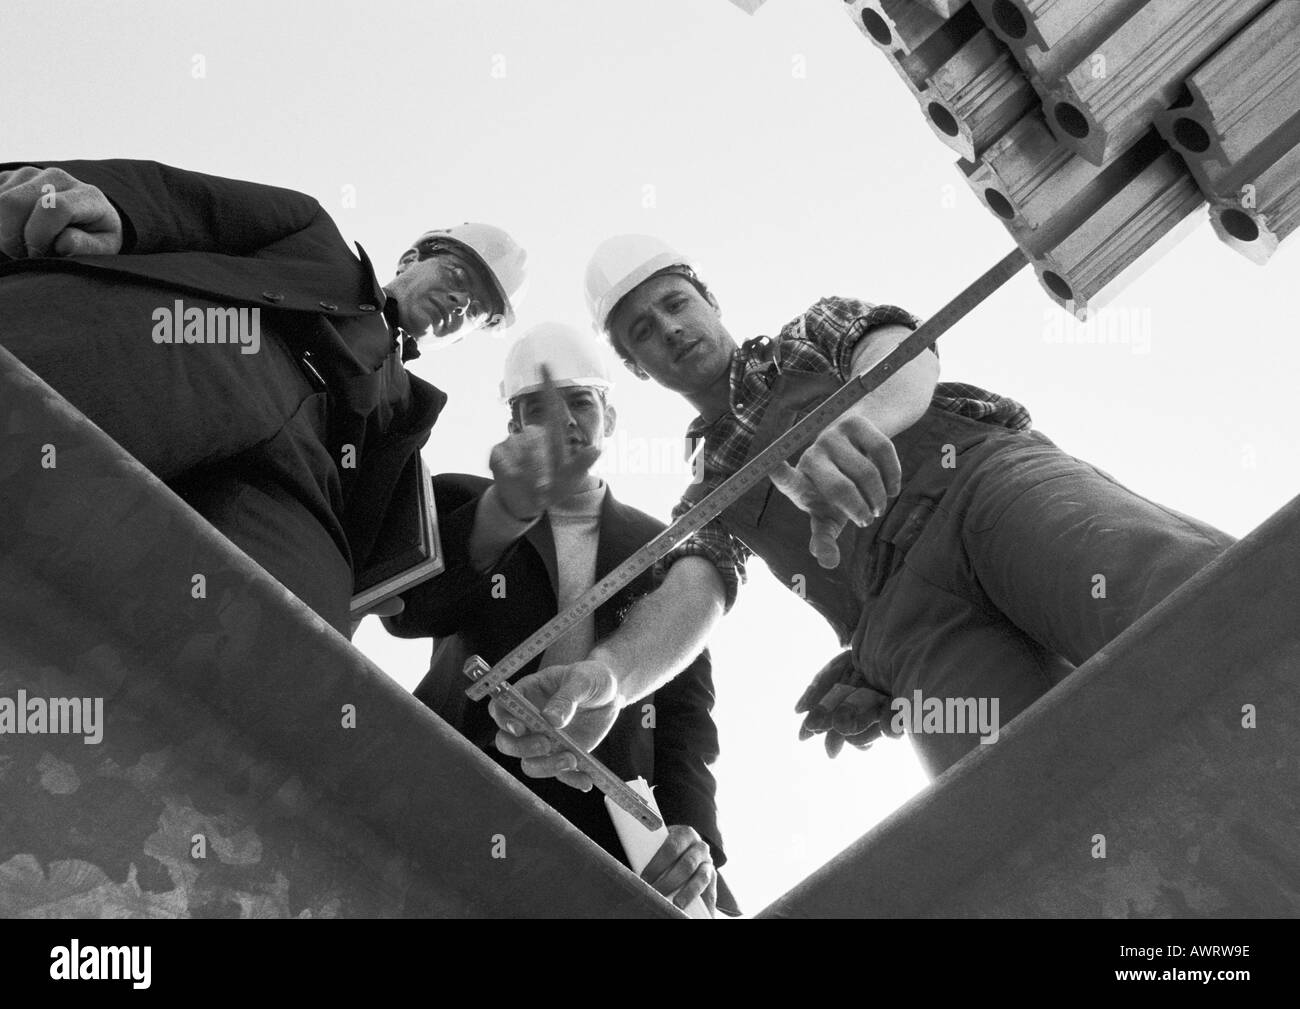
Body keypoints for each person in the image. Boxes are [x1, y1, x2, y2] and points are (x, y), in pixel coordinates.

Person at [486, 233, 1235, 781]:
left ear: (709, 300)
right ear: (635, 368)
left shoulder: (811, 334)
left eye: (675, 303)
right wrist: (612, 673)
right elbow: (694, 589)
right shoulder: (704, 492)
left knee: (1177, 602)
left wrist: (858, 419)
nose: (670, 329)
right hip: (904, 628)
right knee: (1031, 803)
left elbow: (905, 355)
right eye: (642, 331)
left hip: (982, 488)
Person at [0, 159, 525, 636]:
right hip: (207, 354)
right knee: (34, 428)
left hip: (296, 490)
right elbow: (190, 204)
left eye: (478, 310)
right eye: (457, 275)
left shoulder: (408, 427)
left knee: (282, 649)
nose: (461, 301)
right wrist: (111, 206)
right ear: (412, 258)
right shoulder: (314, 237)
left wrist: (515, 509)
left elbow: (419, 592)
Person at [382, 322, 740, 916]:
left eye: (581, 402)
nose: (567, 421)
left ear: (611, 417)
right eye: (540, 409)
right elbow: (413, 613)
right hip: (452, 782)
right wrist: (504, 513)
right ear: (515, 427)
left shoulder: (671, 551)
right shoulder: (460, 500)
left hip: (614, 827)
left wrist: (691, 832)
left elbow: (683, 717)